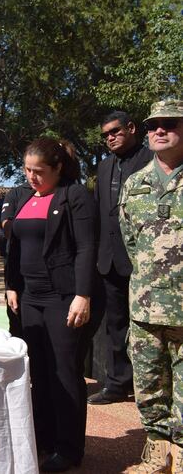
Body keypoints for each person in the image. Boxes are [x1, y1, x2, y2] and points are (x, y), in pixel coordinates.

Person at [4, 137, 96, 472]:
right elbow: (13, 246)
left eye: (39, 171)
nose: (32, 176)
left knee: (64, 371)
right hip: (29, 297)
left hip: (63, 297)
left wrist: (83, 294)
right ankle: (42, 437)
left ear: (58, 168)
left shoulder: (75, 195)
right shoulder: (25, 197)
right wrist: (11, 285)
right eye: (27, 170)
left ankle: (69, 447)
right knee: (38, 370)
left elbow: (86, 247)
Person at [119, 99, 183, 473]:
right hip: (145, 307)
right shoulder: (135, 184)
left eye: (170, 123)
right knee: (149, 386)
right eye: (153, 124)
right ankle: (158, 456)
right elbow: (131, 242)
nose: (160, 130)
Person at [89, 111, 153, 406]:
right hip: (109, 260)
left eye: (115, 131)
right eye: (105, 135)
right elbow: (99, 213)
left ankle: (150, 385)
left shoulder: (153, 159)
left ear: (131, 128)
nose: (110, 138)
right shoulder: (104, 167)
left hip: (144, 261)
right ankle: (117, 384)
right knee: (116, 325)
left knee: (147, 327)